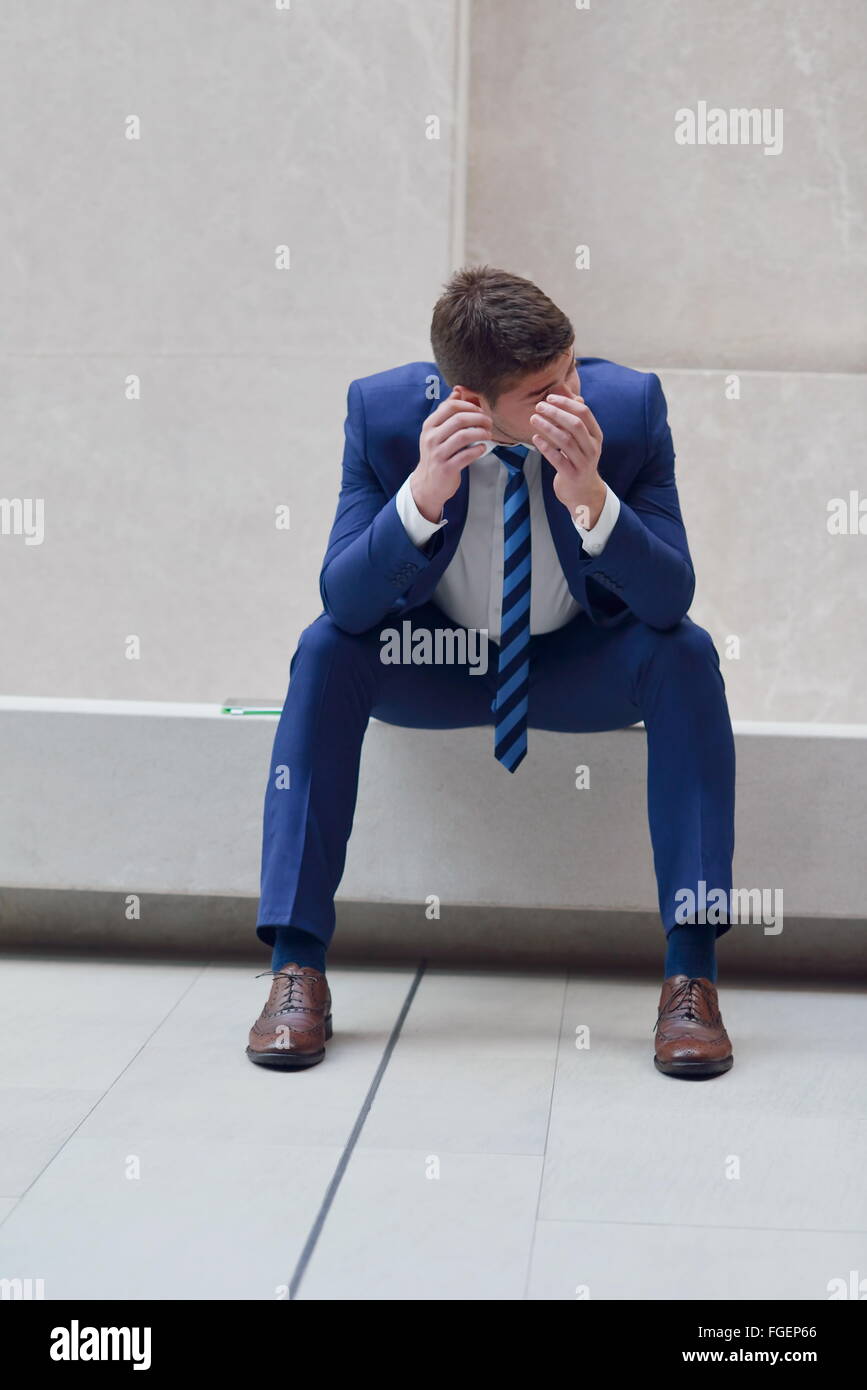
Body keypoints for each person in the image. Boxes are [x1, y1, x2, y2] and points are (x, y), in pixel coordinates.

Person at [246, 266, 736, 1080]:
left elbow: (668, 597)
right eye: (547, 390)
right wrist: (421, 496)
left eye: (572, 368)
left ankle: (692, 976)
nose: (572, 398)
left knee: (685, 653)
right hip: (440, 663)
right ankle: (297, 969)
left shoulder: (627, 411)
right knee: (324, 651)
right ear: (470, 399)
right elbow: (345, 601)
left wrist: (589, 496)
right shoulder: (382, 417)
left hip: (576, 665)